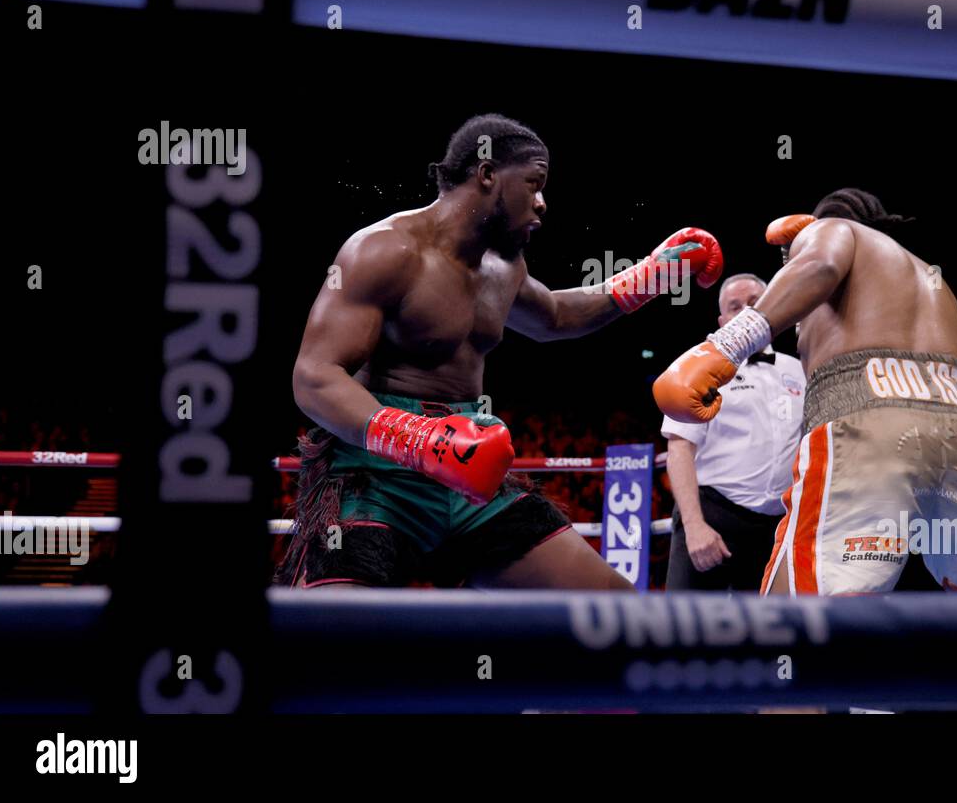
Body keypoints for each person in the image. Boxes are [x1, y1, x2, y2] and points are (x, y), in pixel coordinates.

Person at [276, 113, 722, 590]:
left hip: (472, 476)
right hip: (375, 475)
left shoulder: (503, 265)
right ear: (487, 174)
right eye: (533, 183)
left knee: (613, 607)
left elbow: (555, 316)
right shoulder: (384, 250)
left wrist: (651, 276)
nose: (542, 202)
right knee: (336, 642)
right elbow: (314, 375)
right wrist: (420, 439)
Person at [654, 188, 957, 595]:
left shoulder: (831, 232)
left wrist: (727, 344)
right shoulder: (931, 278)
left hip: (869, 426)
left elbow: (821, 264)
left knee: (796, 610)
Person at [662, 273, 803, 592]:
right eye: (734, 306)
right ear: (722, 319)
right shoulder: (697, 368)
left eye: (754, 304)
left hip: (776, 525)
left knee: (764, 631)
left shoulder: (798, 370)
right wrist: (694, 525)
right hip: (712, 512)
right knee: (685, 626)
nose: (744, 312)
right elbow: (680, 449)